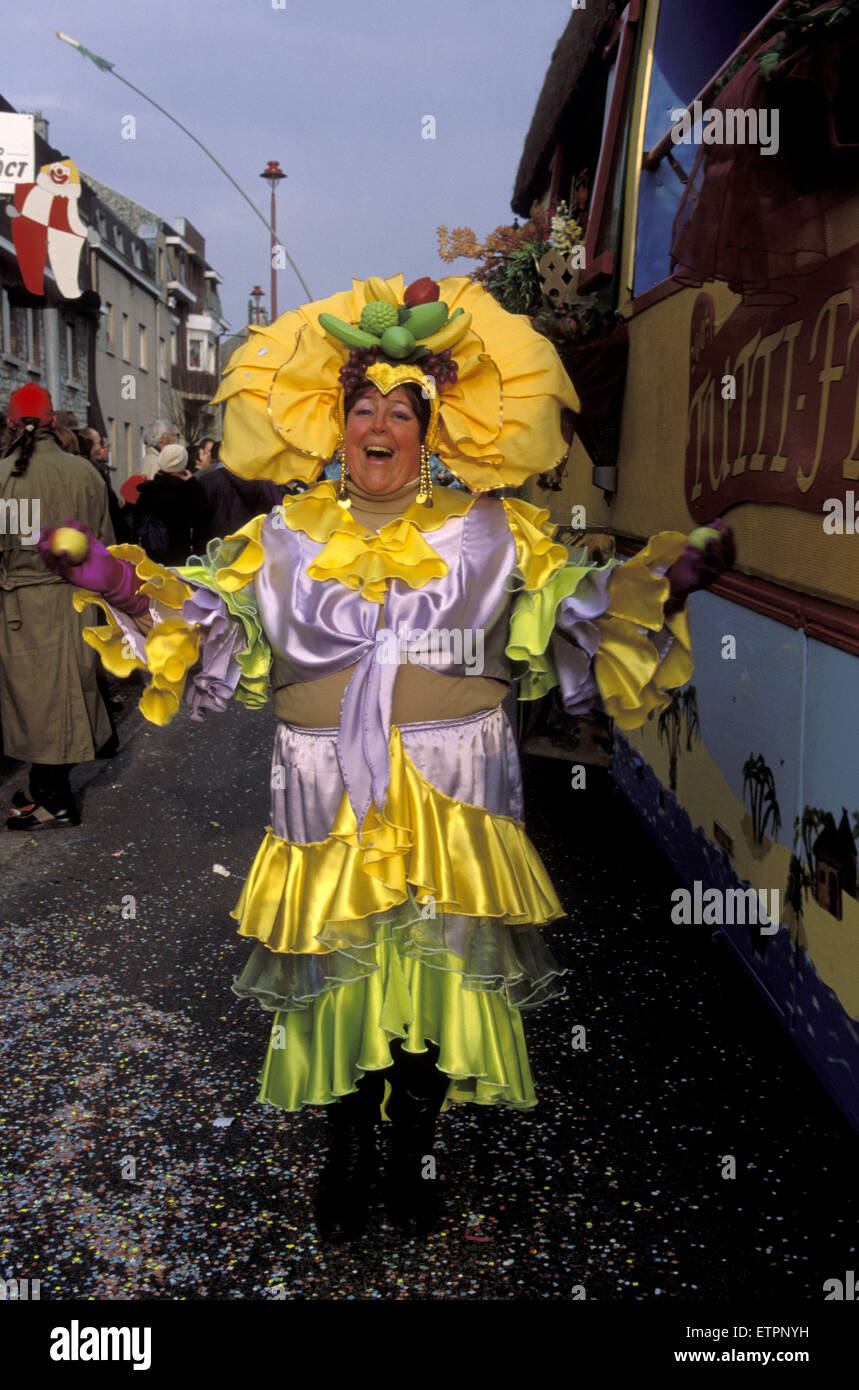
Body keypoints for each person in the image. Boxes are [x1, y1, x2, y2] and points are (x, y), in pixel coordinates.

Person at [38, 272, 734, 1239]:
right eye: (359, 406)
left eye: (399, 410)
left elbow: (574, 602)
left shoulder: (493, 531)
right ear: (333, 424)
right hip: (327, 803)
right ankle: (346, 1157)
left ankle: (411, 1158)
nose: (378, 425)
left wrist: (663, 579)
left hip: (453, 802)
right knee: (341, 992)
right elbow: (212, 618)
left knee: (437, 993)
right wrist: (115, 577)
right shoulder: (280, 536)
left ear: (430, 428)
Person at [1, 383, 115, 828]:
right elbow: (106, 545)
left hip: (20, 609)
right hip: (75, 600)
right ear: (53, 422)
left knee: (34, 705)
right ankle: (48, 789)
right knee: (69, 693)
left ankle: (53, 797)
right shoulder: (84, 473)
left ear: (12, 423)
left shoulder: (4, 477)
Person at [132, 442, 210, 564]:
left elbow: (136, 523)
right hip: (181, 558)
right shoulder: (187, 492)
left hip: (153, 557)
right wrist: (193, 484)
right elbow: (203, 520)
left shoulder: (147, 491)